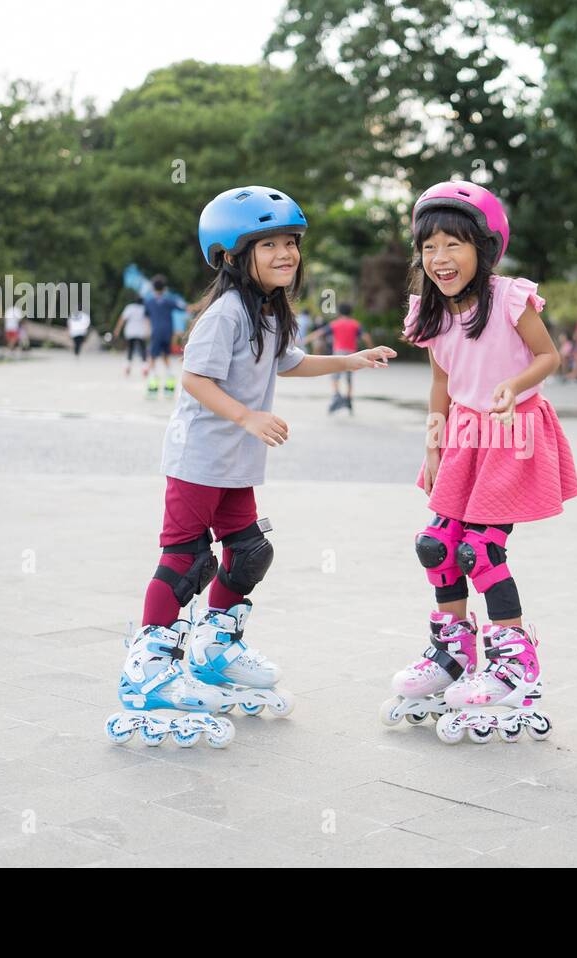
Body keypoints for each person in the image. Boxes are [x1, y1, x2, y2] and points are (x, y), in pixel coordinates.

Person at [104, 185, 397, 749]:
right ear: (233, 255)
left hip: (237, 464)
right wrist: (246, 416)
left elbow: (291, 362)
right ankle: (149, 665)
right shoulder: (226, 313)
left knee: (249, 553)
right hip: (200, 459)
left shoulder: (269, 312)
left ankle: (216, 650)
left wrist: (351, 360)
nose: (287, 253)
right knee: (187, 560)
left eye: (291, 243)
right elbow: (194, 378)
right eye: (271, 245)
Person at [384, 180, 577, 744]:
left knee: (481, 548)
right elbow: (442, 378)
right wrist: (433, 441)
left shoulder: (513, 298)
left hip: (513, 433)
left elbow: (549, 355)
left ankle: (515, 660)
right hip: (463, 436)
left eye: (453, 245)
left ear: (484, 249)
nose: (440, 259)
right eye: (429, 248)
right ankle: (453, 652)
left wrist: (513, 385)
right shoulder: (431, 311)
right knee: (437, 544)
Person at [325, 303, 374, 413]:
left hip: (338, 353)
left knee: (335, 377)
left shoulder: (335, 324)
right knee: (349, 378)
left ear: (339, 312)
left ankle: (336, 396)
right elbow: (366, 337)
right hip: (352, 354)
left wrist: (304, 340)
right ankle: (348, 399)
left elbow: (319, 333)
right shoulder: (355, 324)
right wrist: (372, 350)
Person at [144, 275, 186, 394]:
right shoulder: (169, 300)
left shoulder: (149, 301)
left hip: (156, 332)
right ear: (164, 288)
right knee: (166, 356)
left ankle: (153, 385)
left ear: (153, 288)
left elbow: (147, 318)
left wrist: (148, 331)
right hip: (168, 332)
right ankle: (170, 383)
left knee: (152, 357)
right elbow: (183, 308)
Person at [112, 293, 151, 377]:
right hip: (141, 332)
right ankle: (144, 367)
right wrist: (148, 331)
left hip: (130, 332)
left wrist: (117, 330)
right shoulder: (144, 308)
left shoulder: (129, 307)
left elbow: (122, 319)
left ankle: (127, 366)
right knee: (143, 350)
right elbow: (147, 321)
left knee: (130, 349)